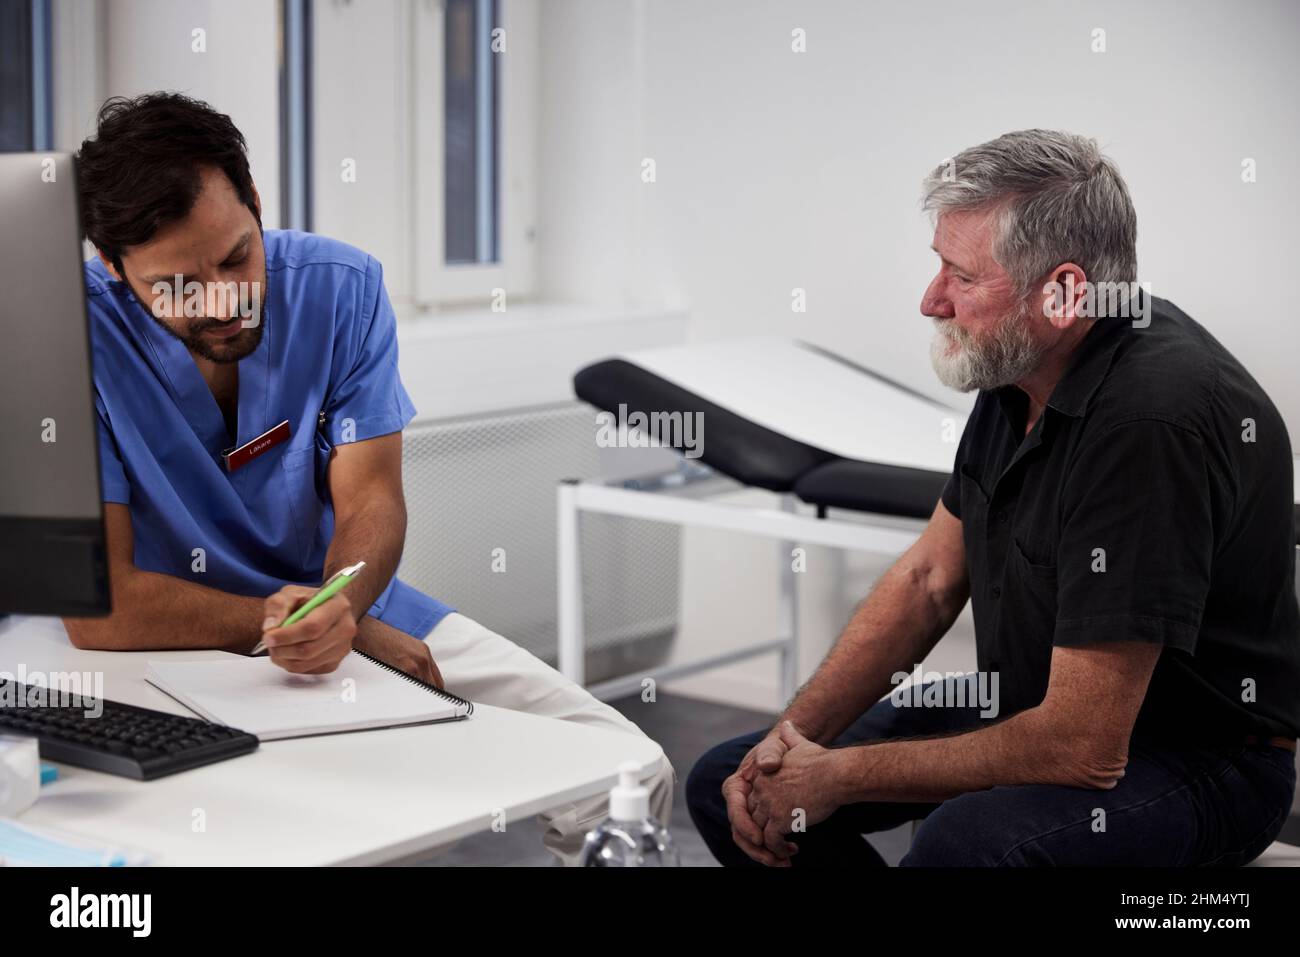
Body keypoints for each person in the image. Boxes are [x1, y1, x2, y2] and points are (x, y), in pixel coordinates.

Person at [62, 92, 672, 865]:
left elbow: (373, 500)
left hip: (341, 603)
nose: (223, 301)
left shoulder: (339, 289)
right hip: (163, 634)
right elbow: (101, 609)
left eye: (237, 257)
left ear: (255, 203)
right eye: (179, 287)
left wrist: (341, 609)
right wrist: (281, 625)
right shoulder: (66, 338)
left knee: (627, 770)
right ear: (116, 270)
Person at [688, 129, 1299, 867]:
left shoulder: (1149, 422)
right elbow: (928, 580)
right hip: (1027, 701)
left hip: (1198, 756)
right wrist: (781, 752)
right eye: (937, 266)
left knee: (966, 845)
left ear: (1065, 291)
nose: (930, 299)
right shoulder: (1023, 362)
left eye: (962, 276)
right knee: (732, 783)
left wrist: (839, 777)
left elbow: (1084, 746)